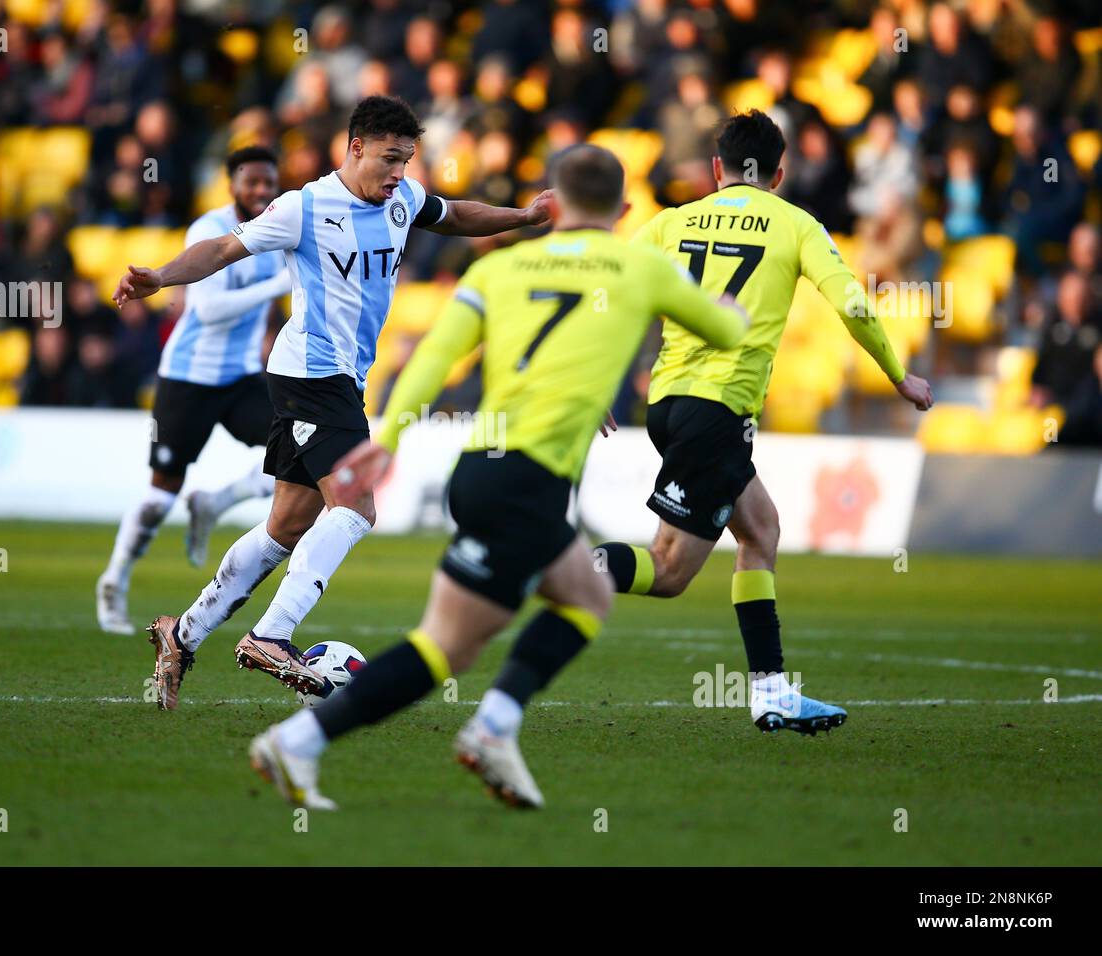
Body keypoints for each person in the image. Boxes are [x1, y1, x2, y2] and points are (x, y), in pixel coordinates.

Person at [246, 144, 748, 810]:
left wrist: (389, 437)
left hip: (479, 472)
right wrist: (733, 310)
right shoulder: (640, 265)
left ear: (554, 207)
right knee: (455, 643)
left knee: (561, 602)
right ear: (624, 210)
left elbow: (436, 354)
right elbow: (724, 328)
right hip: (530, 482)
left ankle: (427, 731)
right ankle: (375, 736)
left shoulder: (502, 268)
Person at [111, 95, 554, 709]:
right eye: (389, 159)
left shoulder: (402, 199)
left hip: (344, 379)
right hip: (308, 374)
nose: (399, 172)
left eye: (407, 160)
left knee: (286, 526)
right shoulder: (304, 206)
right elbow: (223, 249)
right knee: (358, 505)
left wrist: (524, 217)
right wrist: (161, 277)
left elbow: (454, 215)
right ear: (355, 149)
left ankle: (180, 634)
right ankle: (271, 634)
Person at [595, 110, 933, 735]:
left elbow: (607, 292)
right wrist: (898, 376)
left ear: (717, 169)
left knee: (761, 531)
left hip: (670, 406)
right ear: (778, 174)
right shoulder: (797, 224)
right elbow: (854, 303)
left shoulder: (670, 222)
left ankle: (772, 693)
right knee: (668, 572)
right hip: (718, 409)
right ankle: (550, 565)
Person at [95, 147, 291, 634]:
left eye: (270, 182)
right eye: (252, 182)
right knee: (161, 495)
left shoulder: (280, 227)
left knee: (296, 456)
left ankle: (215, 503)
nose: (263, 191)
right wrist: (279, 284)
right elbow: (208, 311)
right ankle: (114, 580)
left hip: (243, 375)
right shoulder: (208, 231)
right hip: (188, 376)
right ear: (231, 185)